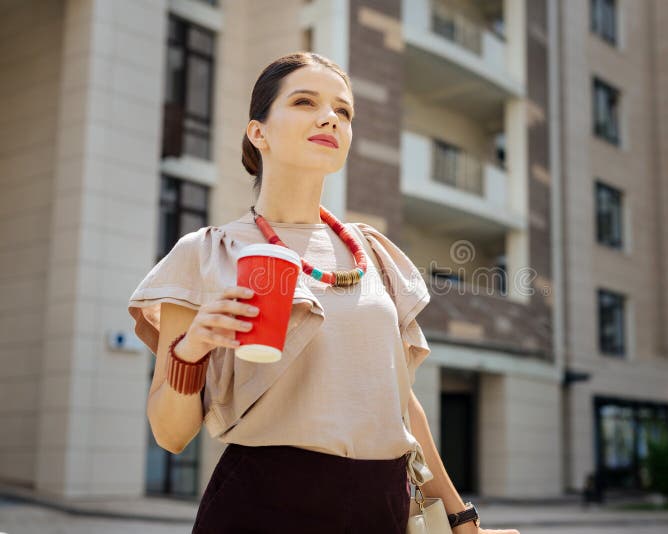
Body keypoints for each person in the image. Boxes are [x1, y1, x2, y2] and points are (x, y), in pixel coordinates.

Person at [128, 51, 520, 534]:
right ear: (259, 132)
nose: (329, 117)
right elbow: (170, 435)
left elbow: (400, 404)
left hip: (382, 506)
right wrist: (194, 347)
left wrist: (462, 519)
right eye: (305, 101)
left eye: (344, 111)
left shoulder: (373, 253)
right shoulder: (207, 252)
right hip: (263, 504)